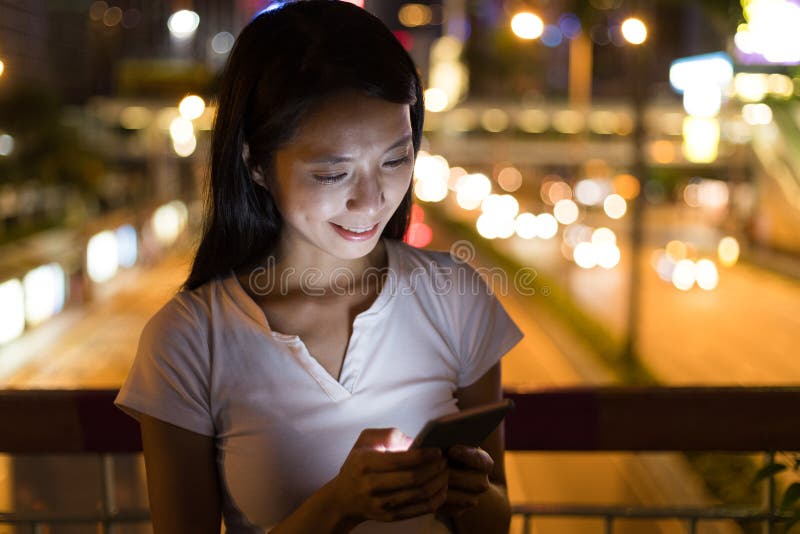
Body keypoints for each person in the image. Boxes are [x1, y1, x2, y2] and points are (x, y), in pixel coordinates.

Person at [115, 1, 523, 532]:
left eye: (396, 159)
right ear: (255, 162)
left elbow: (495, 519)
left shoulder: (455, 295)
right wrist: (338, 506)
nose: (373, 200)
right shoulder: (191, 340)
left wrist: (462, 492)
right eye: (333, 173)